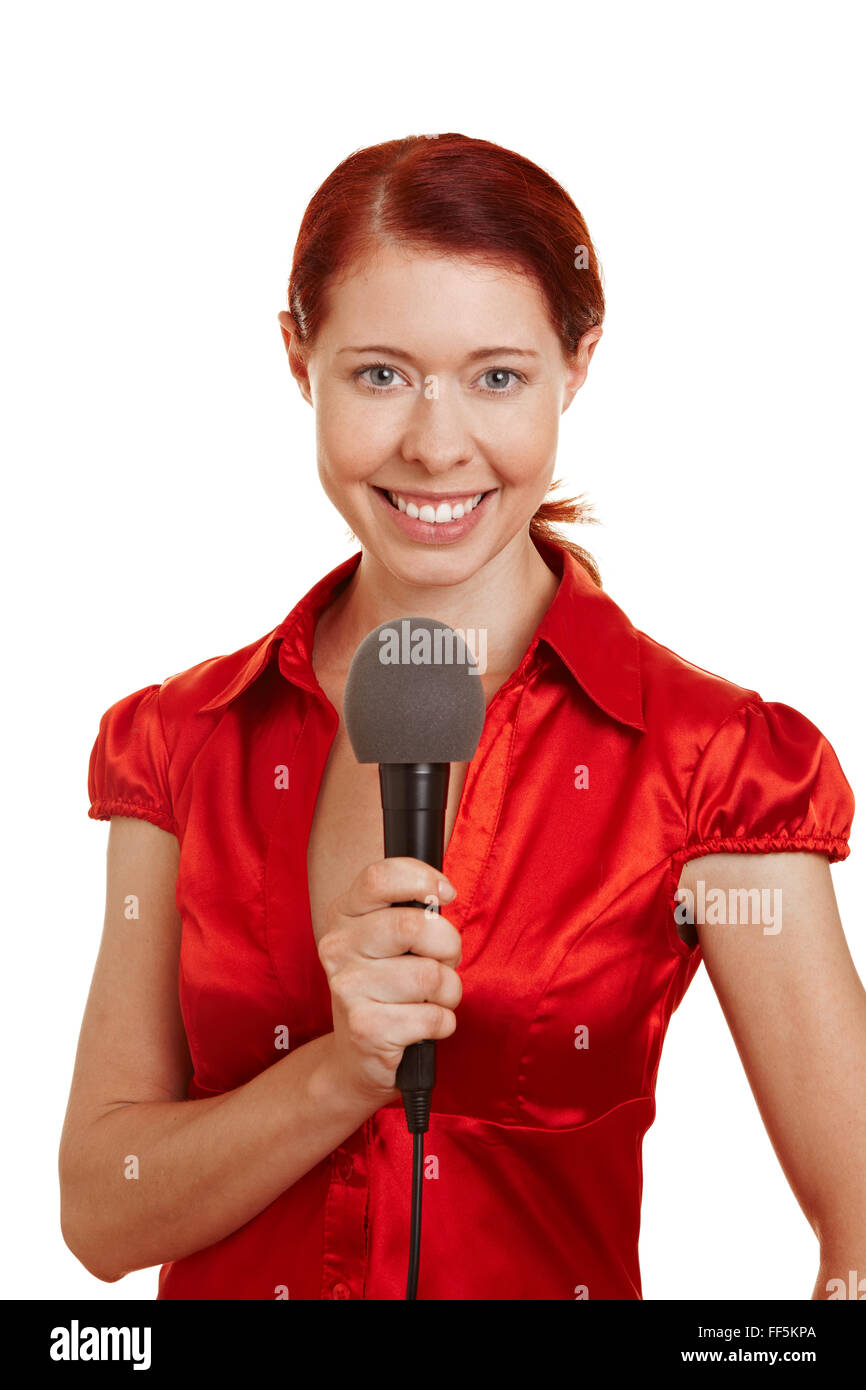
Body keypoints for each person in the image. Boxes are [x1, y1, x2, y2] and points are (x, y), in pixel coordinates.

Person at [60, 133, 864, 1300]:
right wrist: (340, 1072)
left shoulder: (712, 762)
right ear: (298, 357)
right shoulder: (181, 740)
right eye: (379, 373)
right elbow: (99, 1211)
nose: (436, 446)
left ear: (575, 362)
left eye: (497, 376)